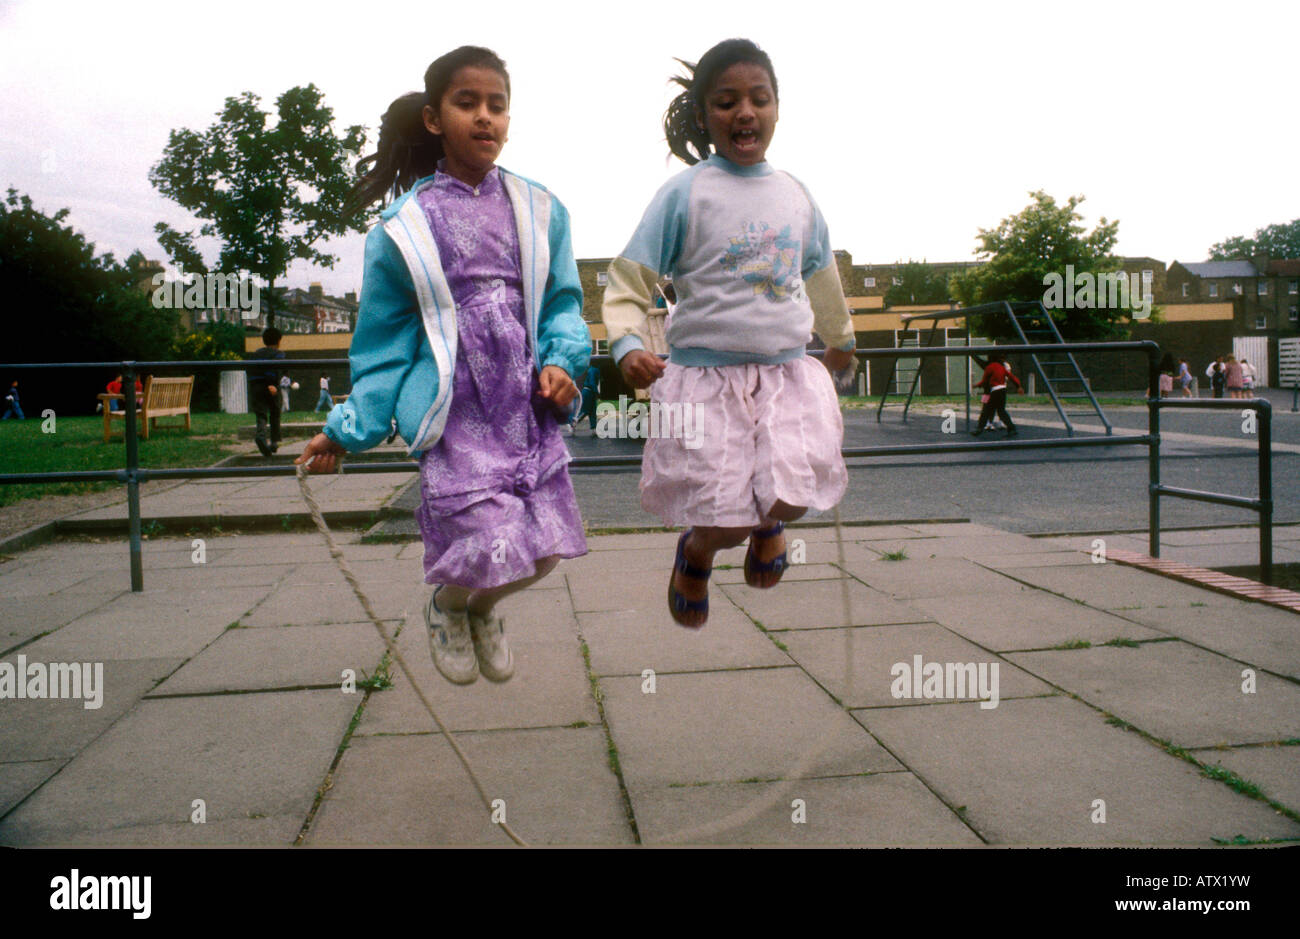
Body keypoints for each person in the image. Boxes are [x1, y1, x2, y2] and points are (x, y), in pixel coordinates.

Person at [295, 46, 590, 685]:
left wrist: (565, 361)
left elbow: (563, 304)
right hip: (456, 410)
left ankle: (481, 609)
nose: (484, 117)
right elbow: (381, 348)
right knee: (488, 542)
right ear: (434, 118)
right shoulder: (403, 228)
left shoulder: (540, 209)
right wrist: (345, 431)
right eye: (467, 103)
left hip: (524, 407)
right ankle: (448, 602)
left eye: (497, 105)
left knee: (544, 552)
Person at [601, 38, 856, 629]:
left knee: (793, 493)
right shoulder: (686, 193)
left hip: (787, 373)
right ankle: (696, 551)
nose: (745, 112)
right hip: (706, 377)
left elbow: (820, 272)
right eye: (726, 102)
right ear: (703, 116)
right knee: (726, 520)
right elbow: (629, 278)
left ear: (775, 108)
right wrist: (628, 342)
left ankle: (772, 523)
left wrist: (838, 335)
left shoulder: (795, 195)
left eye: (759, 99)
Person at [248, 327, 285, 457]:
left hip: (256, 386)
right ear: (279, 341)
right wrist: (271, 383)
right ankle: (274, 441)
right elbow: (274, 368)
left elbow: (251, 370)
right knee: (275, 412)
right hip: (271, 386)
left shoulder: (256, 354)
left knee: (261, 414)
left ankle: (261, 436)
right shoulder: (278, 354)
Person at [971, 352, 1022, 437]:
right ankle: (1012, 428)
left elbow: (984, 381)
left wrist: (976, 385)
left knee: (986, 410)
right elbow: (1011, 377)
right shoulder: (1002, 367)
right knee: (1001, 411)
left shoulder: (989, 367)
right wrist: (1018, 386)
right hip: (1003, 390)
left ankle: (979, 429)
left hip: (994, 391)